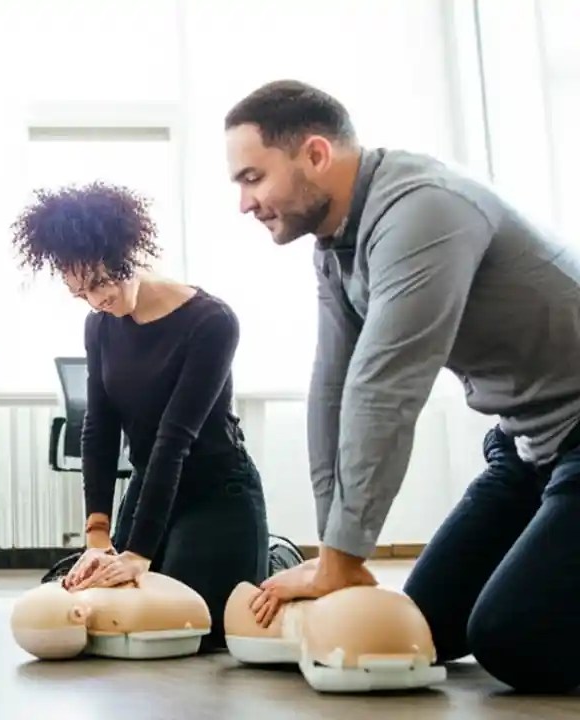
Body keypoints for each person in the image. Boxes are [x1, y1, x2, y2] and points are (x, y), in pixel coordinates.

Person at [223, 79, 580, 693]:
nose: (244, 202)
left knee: (515, 640)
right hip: (530, 450)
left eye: (253, 177)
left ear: (314, 155)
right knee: (424, 628)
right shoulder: (337, 244)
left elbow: (384, 387)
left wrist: (342, 561)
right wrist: (333, 553)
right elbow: (333, 386)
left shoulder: (424, 208)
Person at [9, 181, 271, 651]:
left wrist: (136, 554)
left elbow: (175, 437)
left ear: (127, 253)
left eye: (98, 284)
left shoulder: (211, 321)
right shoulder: (99, 326)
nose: (94, 301)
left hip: (216, 490)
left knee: (187, 627)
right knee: (106, 618)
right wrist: (98, 538)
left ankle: (271, 559)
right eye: (79, 293)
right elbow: (99, 430)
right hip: (151, 487)